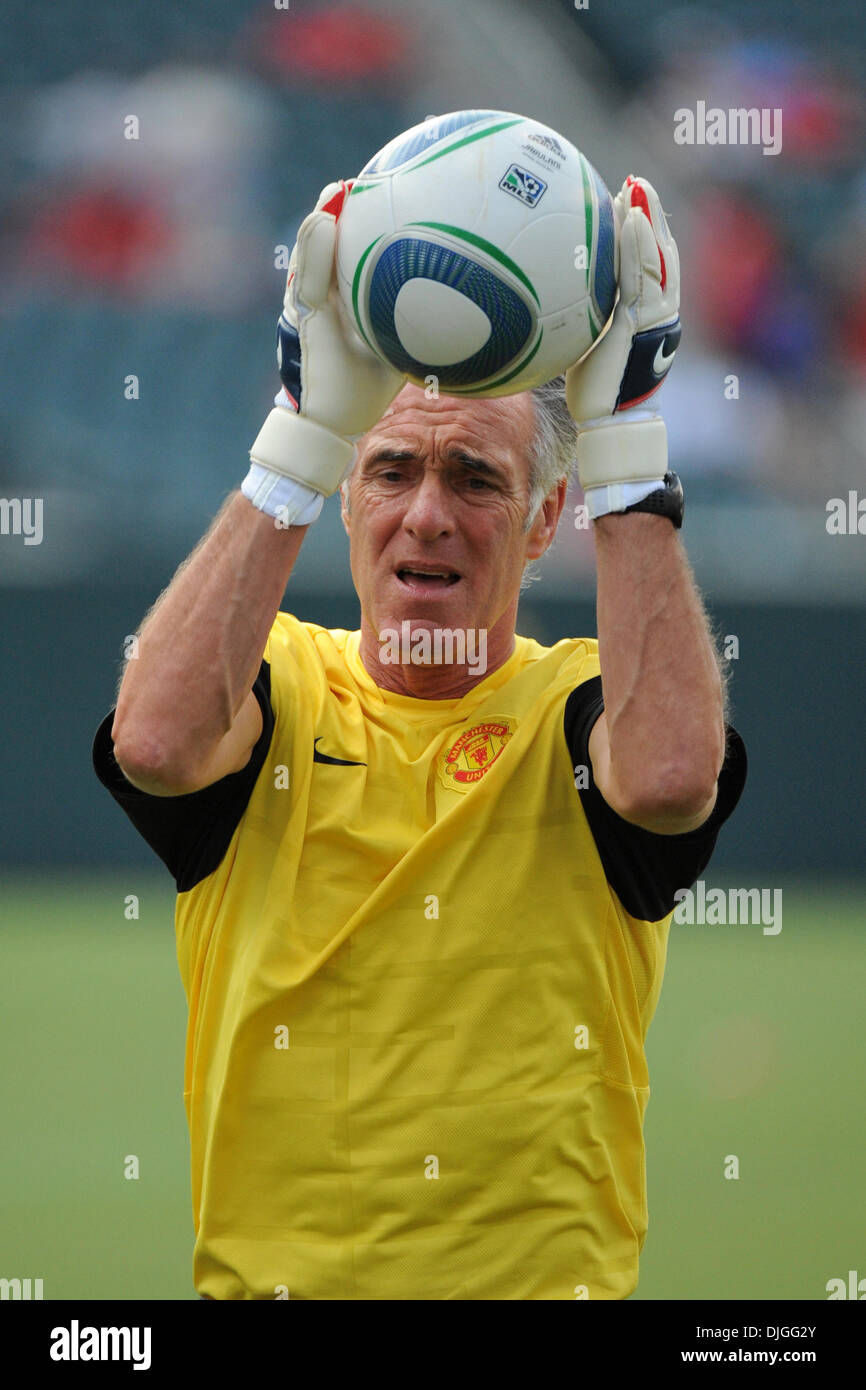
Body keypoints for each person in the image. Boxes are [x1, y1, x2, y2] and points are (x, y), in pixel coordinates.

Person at [93, 175, 747, 1300]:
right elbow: (151, 745)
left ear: (547, 518)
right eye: (388, 468)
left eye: (475, 477)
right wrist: (299, 438)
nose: (426, 513)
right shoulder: (280, 684)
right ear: (347, 498)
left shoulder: (581, 708)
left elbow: (671, 779)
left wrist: (625, 443)